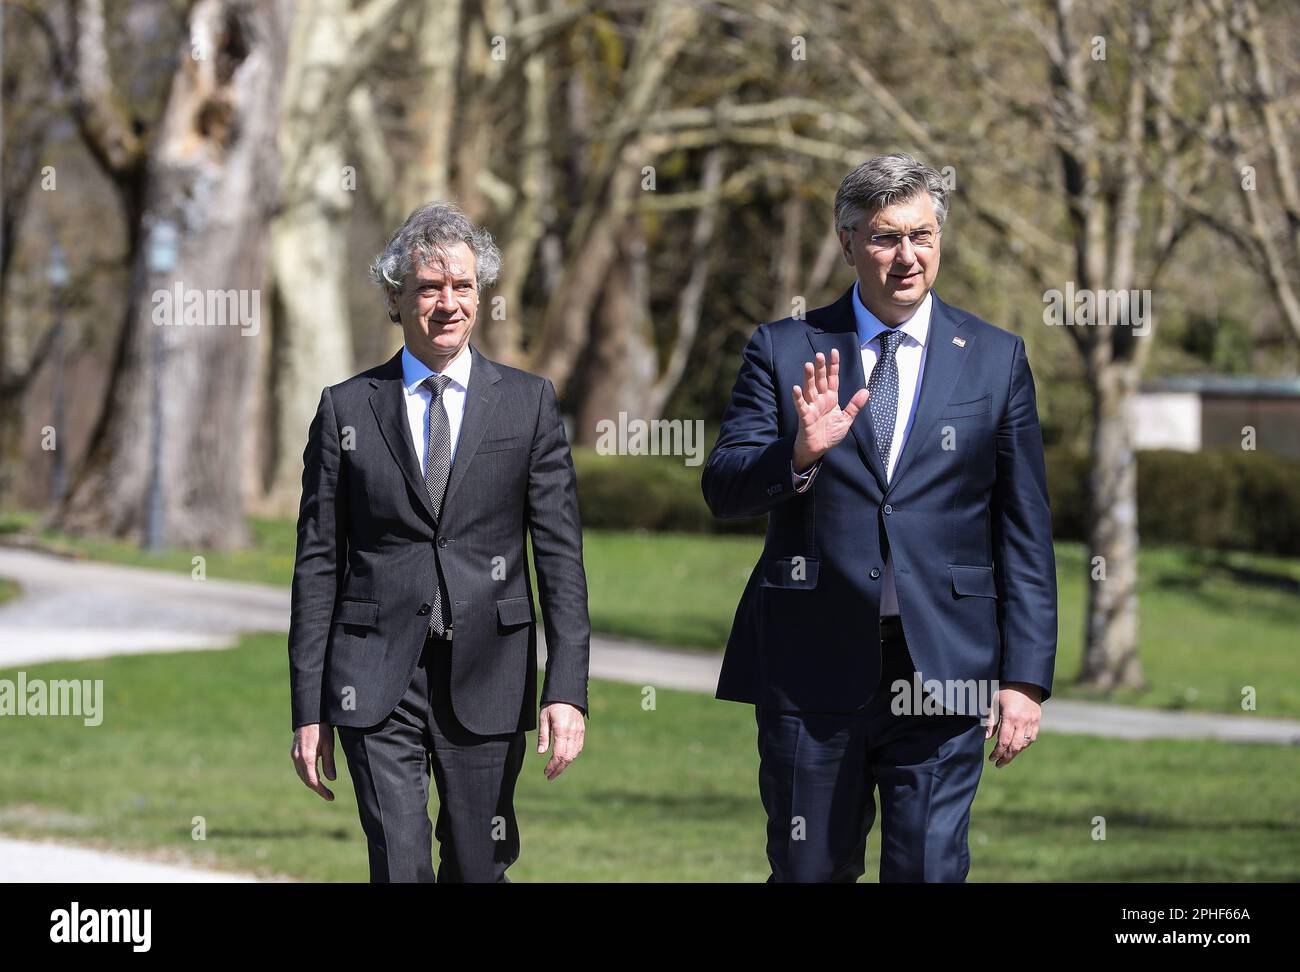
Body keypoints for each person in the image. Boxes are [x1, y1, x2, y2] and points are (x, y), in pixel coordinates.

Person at [702, 153, 1057, 882]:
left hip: (945, 668)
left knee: (928, 871)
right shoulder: (784, 349)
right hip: (812, 668)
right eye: (886, 237)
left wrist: (1025, 678)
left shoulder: (994, 358)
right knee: (808, 870)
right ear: (846, 242)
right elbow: (725, 488)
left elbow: (1024, 530)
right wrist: (798, 452)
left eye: (922, 236)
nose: (907, 257)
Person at [287, 202, 590, 882]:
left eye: (462, 286)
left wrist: (567, 688)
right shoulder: (347, 407)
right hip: (372, 673)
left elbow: (560, 559)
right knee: (399, 866)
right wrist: (309, 709)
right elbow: (317, 566)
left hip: (491, 671)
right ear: (396, 298)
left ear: (480, 296)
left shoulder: (528, 402)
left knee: (479, 865)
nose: (447, 303)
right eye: (429, 287)